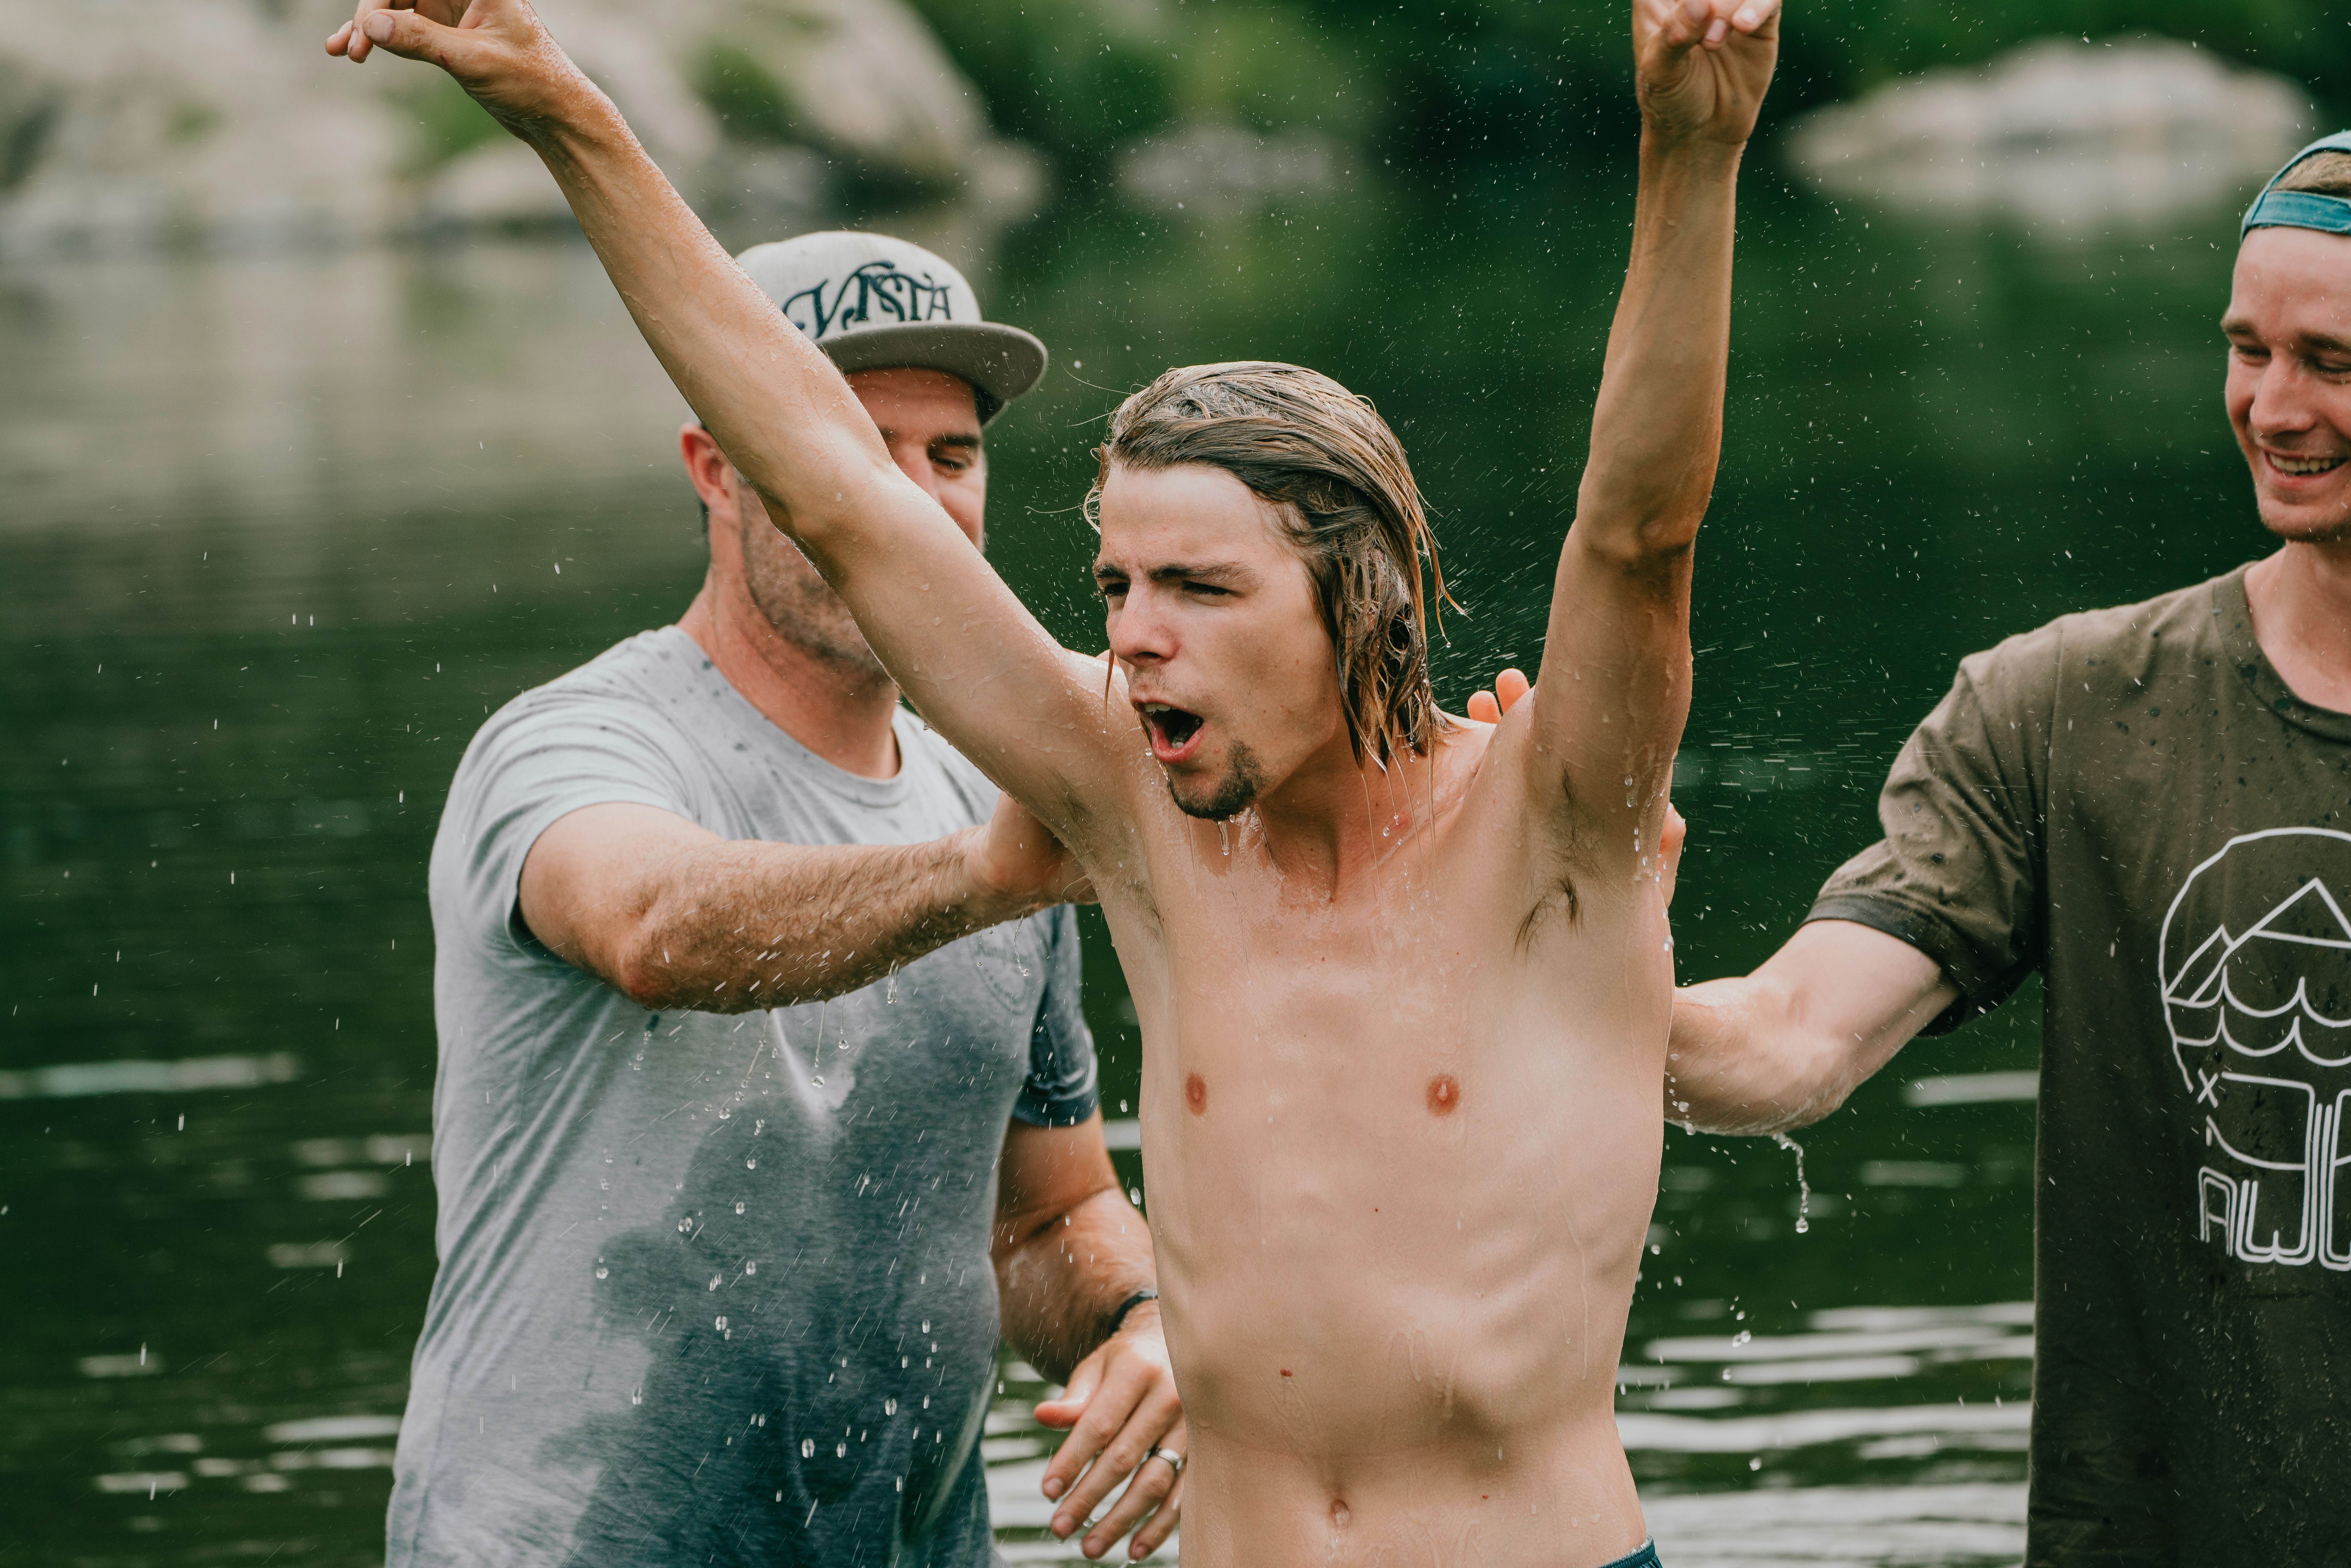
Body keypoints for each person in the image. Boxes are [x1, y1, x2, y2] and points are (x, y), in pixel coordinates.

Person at [329, 0, 1780, 1563]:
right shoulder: (1127, 804)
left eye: (1202, 593)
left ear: (1360, 597)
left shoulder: (1557, 816)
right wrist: (568, 112)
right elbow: (838, 500)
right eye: (1113, 590)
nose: (1137, 643)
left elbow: (1637, 533)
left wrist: (1691, 148)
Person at [386, 227, 1185, 1567]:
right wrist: (980, 879)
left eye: (953, 456)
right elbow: (654, 927)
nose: (917, 508)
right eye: (858, 456)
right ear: (717, 468)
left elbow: (1042, 1214)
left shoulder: (991, 810)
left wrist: (1142, 1324)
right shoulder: (572, 745)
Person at [1640, 133, 2351, 1563]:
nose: (2270, 407)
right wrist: (1575, 966)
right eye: (2242, 349)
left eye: (2328, 361)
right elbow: (1788, 1044)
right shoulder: (2064, 712)